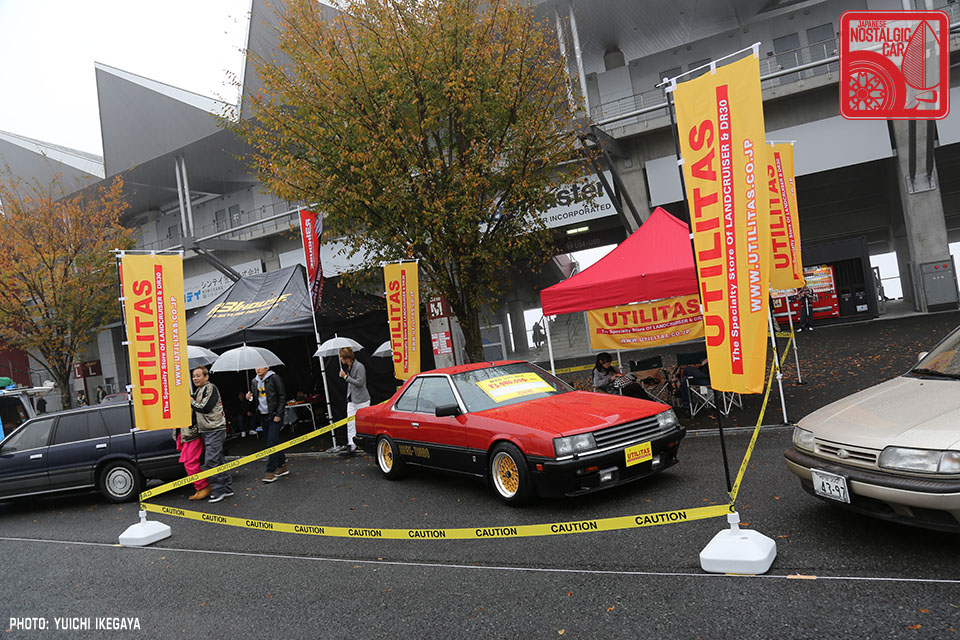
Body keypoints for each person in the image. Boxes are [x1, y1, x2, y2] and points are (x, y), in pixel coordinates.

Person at [191, 366, 234, 503]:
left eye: (198, 375)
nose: (195, 378)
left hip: (214, 430)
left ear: (206, 376)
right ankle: (227, 489)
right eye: (193, 376)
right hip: (207, 430)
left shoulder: (210, 388)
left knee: (210, 461)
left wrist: (190, 401)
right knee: (219, 460)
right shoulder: (199, 390)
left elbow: (205, 407)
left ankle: (218, 491)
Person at [247, 366, 287, 482]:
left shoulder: (274, 378)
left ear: (266, 367)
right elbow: (255, 402)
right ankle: (282, 466)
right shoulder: (254, 381)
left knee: (271, 443)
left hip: (274, 415)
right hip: (262, 416)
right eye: (256, 367)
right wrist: (249, 399)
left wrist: (279, 414)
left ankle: (270, 471)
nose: (257, 369)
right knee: (273, 442)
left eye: (260, 366)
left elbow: (282, 396)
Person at [337, 346, 369, 456]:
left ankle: (367, 445)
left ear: (347, 358)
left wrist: (346, 377)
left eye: (341, 357)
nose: (340, 359)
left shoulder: (359, 367)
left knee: (364, 424)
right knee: (350, 423)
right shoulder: (349, 367)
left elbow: (360, 383)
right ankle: (351, 445)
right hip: (351, 399)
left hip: (362, 400)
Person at [175, 415, 209, 501]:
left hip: (191, 434)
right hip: (186, 434)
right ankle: (202, 486)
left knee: (190, 463)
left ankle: (203, 486)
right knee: (189, 463)